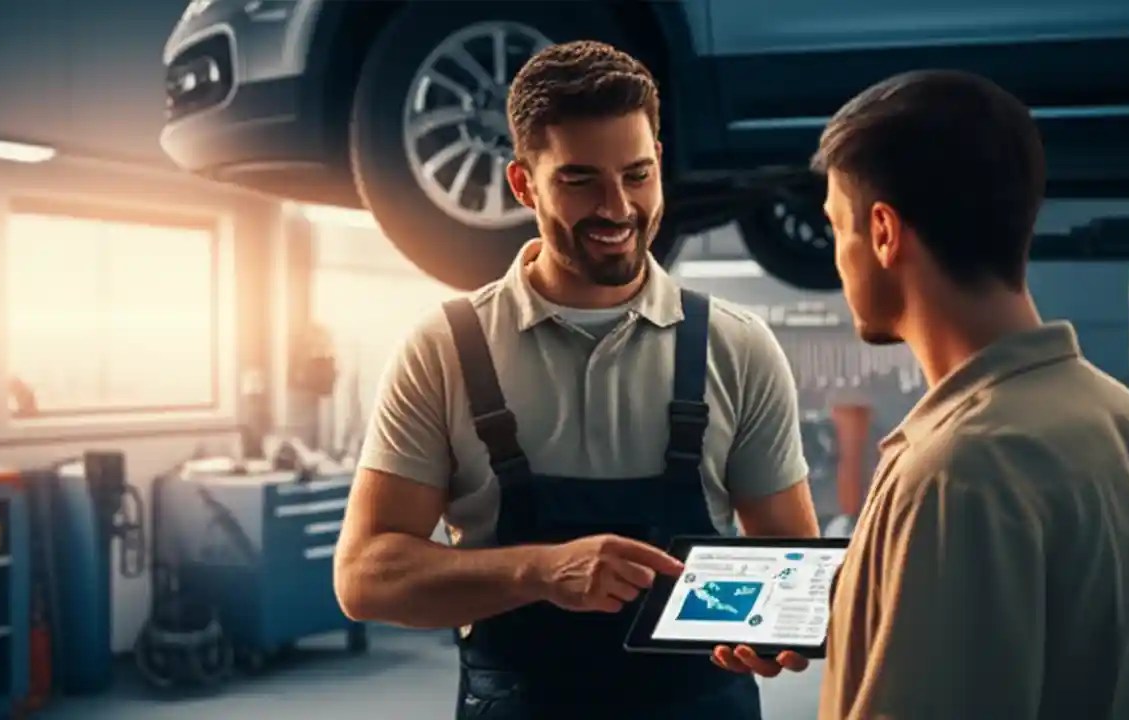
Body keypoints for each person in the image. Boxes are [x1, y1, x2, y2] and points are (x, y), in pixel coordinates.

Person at [333, 40, 821, 720]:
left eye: (639, 174)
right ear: (523, 184)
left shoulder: (736, 347)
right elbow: (365, 578)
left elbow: (787, 562)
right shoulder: (444, 350)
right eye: (580, 179)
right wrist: (538, 572)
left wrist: (775, 629)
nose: (618, 208)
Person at [712, 69, 1129, 719]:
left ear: (882, 233)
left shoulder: (957, 472)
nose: (837, 258)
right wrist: (869, 609)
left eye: (837, 230)